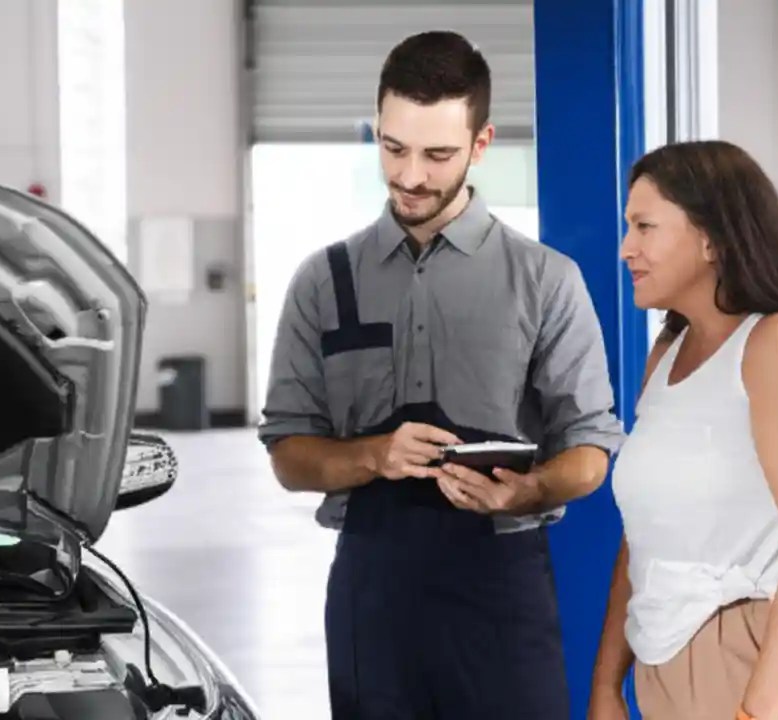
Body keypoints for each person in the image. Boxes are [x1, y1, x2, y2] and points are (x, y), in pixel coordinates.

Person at [258, 30, 625, 719]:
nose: (411, 175)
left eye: (438, 154)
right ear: (377, 127)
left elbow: (592, 452)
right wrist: (373, 454)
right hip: (373, 599)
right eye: (394, 148)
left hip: (501, 594)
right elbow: (289, 457)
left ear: (481, 144)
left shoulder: (545, 281)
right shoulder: (323, 282)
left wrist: (530, 489)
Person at [589, 141, 778, 720]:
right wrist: (606, 685)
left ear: (712, 238)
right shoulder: (667, 353)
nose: (626, 248)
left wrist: (754, 712)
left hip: (762, 672)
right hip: (665, 663)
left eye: (645, 227)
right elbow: (644, 536)